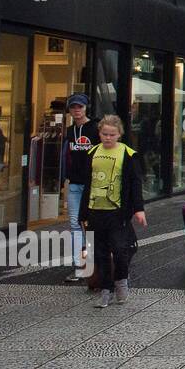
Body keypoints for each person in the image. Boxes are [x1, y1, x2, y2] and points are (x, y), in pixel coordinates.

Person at [77, 115, 146, 308]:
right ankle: (105, 290)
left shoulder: (128, 154)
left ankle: (121, 281)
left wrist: (138, 209)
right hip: (94, 210)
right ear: (99, 133)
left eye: (112, 134)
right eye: (104, 134)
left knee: (119, 249)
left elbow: (135, 183)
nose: (108, 138)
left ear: (119, 135)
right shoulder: (92, 152)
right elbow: (88, 184)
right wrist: (82, 214)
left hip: (117, 211)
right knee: (100, 253)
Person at [60, 93, 99, 283]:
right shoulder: (68, 131)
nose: (77, 110)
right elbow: (64, 157)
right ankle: (79, 264)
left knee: (90, 223)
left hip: (92, 183)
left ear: (86, 108)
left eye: (80, 107)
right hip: (74, 183)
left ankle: (92, 261)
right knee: (75, 223)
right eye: (73, 107)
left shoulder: (95, 128)